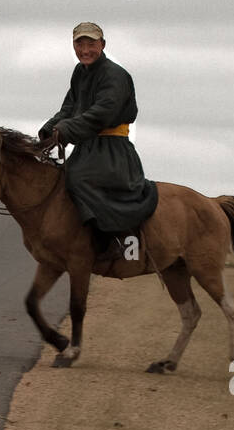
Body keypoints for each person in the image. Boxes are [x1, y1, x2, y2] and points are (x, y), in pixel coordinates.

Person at [37, 21, 158, 260]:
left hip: (113, 150)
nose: (85, 50)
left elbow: (102, 114)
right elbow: (70, 108)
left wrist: (65, 129)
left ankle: (113, 241)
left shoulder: (115, 75)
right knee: (59, 179)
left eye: (90, 44)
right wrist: (48, 130)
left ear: (102, 44)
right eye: (79, 44)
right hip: (88, 147)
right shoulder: (80, 73)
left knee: (78, 178)